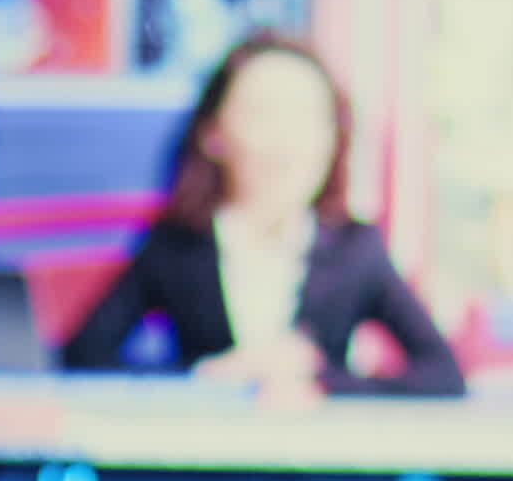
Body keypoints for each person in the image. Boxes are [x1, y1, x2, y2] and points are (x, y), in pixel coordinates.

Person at [59, 33, 466, 402]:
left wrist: (322, 383)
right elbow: (82, 361)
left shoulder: (356, 248)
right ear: (213, 134)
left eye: (307, 116)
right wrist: (206, 378)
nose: (285, 138)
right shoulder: (176, 247)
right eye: (263, 112)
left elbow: (443, 377)